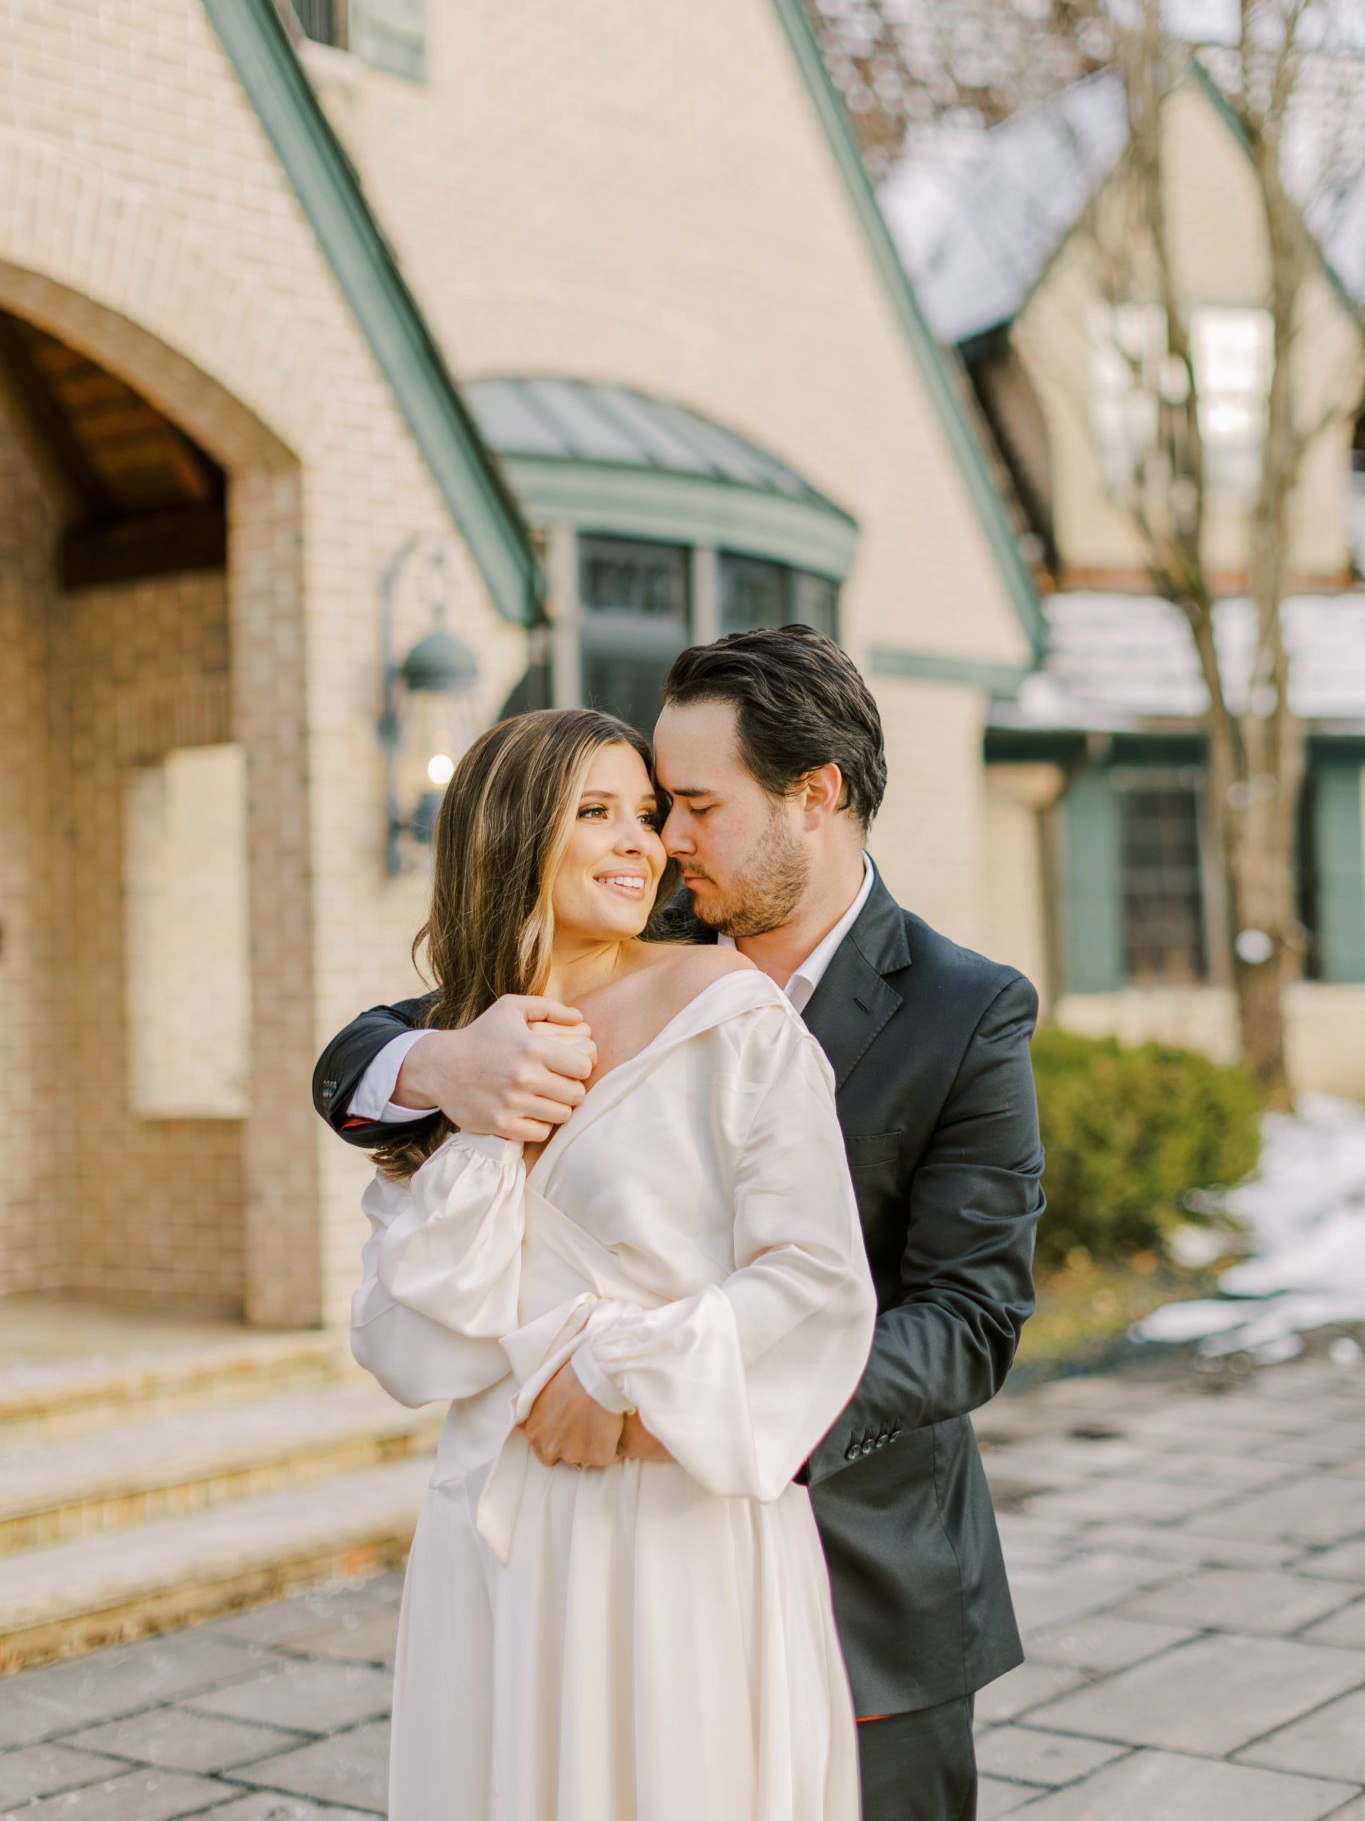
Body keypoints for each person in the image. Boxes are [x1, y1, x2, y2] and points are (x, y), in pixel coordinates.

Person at [317, 627, 1046, 1821]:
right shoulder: (625, 948)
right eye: (648, 808)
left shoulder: (965, 1009)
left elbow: (968, 1319)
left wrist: (661, 1397)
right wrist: (443, 1062)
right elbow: (363, 1052)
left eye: (693, 805)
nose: (665, 841)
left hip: (858, 1568)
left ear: (817, 795)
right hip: (545, 1542)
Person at [347, 704, 878, 1821]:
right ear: (508, 831)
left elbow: (815, 1279)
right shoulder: (455, 1050)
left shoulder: (733, 1016)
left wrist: (620, 1378)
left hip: (669, 1504)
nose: (644, 841)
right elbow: (413, 1341)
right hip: (493, 1512)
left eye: (651, 812)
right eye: (598, 812)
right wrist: (477, 1114)